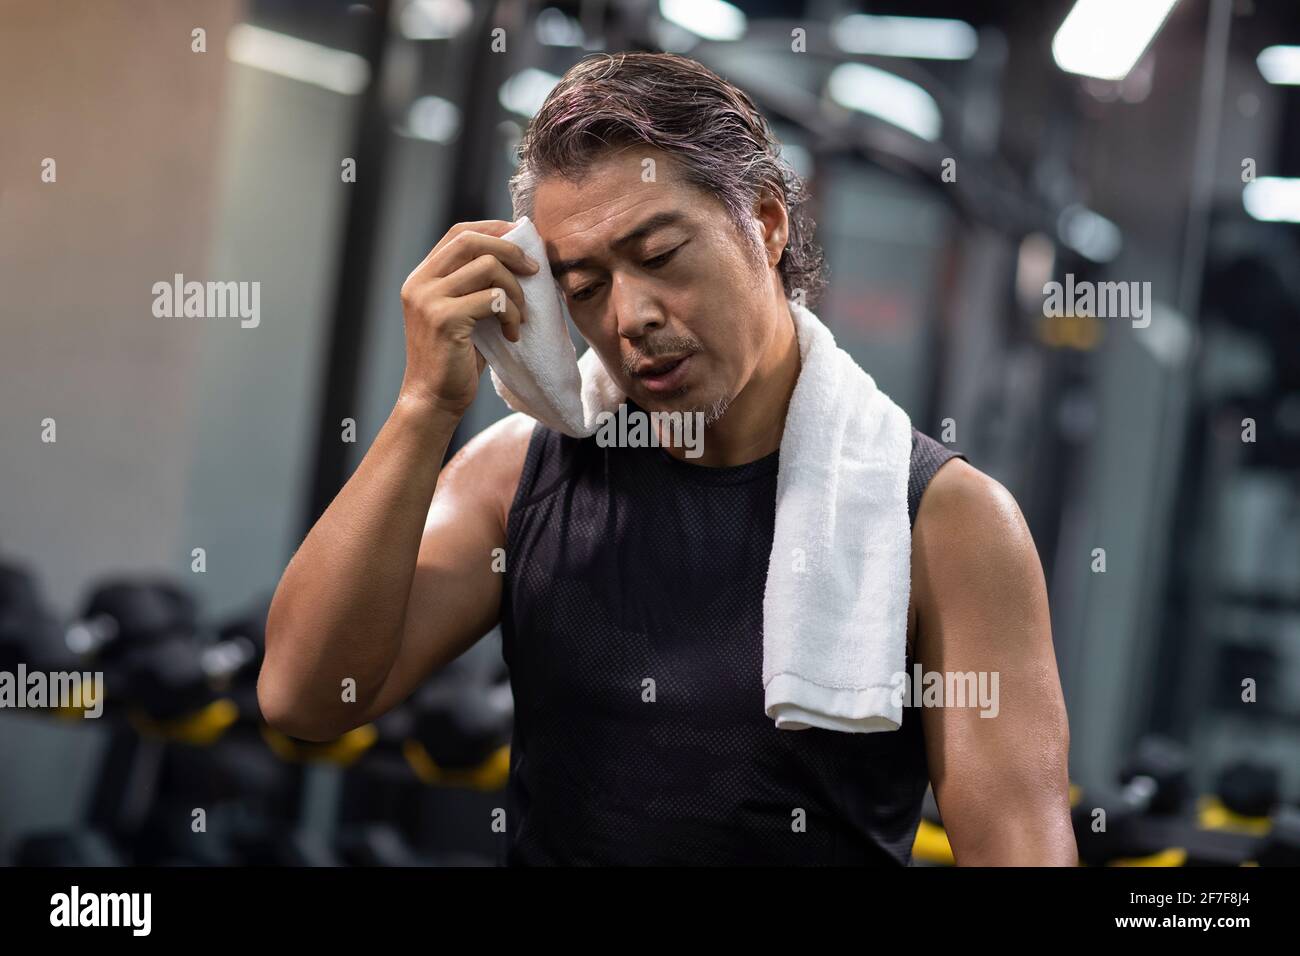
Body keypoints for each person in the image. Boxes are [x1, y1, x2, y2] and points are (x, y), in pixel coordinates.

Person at [260, 52, 1076, 866]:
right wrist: (424, 407)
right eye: (583, 285)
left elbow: (1020, 850)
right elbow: (304, 696)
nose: (631, 317)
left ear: (764, 222)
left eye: (658, 257)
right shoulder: (521, 474)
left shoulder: (947, 522)